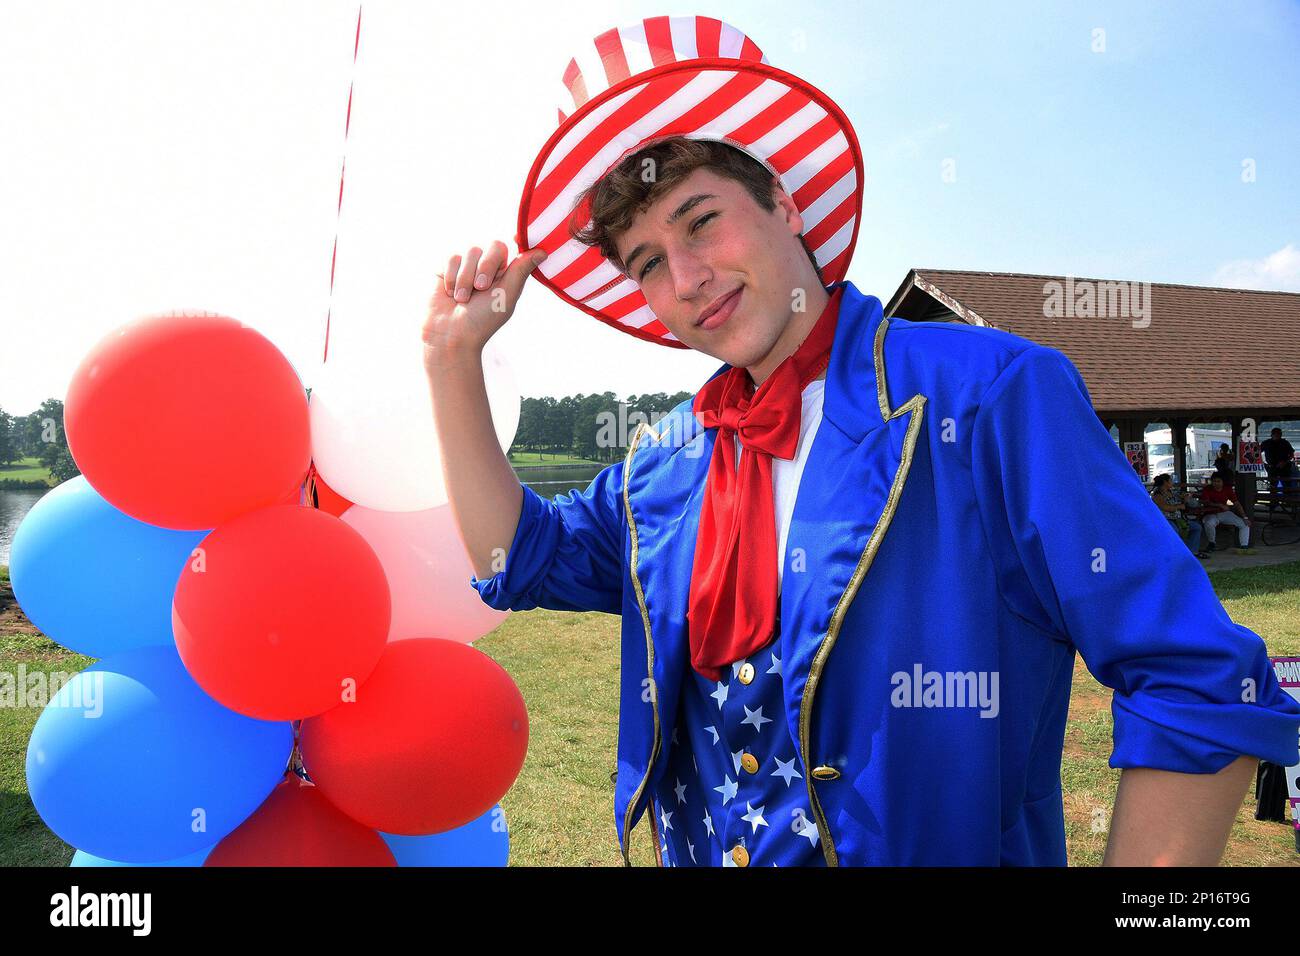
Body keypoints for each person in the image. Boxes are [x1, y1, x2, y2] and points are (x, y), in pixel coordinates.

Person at [422, 16, 1300, 867]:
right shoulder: (668, 459)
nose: (686, 279)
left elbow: (1194, 680)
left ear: (783, 199)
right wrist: (454, 364)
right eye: (648, 261)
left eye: (700, 221)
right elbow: (520, 557)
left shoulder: (987, 394)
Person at [1150, 473, 1208, 559]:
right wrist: (1179, 506)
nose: (1172, 482)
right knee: (1174, 531)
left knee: (1196, 527)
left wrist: (1185, 499)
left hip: (1178, 519)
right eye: (1170, 480)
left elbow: (1182, 503)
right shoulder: (1157, 494)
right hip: (1165, 520)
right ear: (1165, 482)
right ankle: (1175, 555)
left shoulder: (1171, 492)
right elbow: (1164, 507)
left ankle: (1192, 552)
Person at [1199, 473, 1254, 553]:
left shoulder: (1228, 489)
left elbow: (1236, 503)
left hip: (1224, 513)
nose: (1216, 483)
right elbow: (1205, 502)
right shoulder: (1207, 489)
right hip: (1210, 513)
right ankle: (1212, 543)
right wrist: (1220, 505)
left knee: (1244, 524)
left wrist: (1245, 517)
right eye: (1214, 481)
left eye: (1218, 481)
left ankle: (1244, 546)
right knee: (1209, 523)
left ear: (1223, 482)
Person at [1261, 427, 1296, 510]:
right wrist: (1264, 464)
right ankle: (1273, 503)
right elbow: (1257, 453)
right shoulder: (1266, 443)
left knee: (1286, 486)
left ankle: (1287, 502)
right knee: (1272, 486)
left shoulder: (1285, 443)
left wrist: (1284, 462)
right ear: (1272, 434)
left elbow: (1291, 455)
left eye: (1279, 434)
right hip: (1272, 468)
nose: (1277, 435)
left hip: (1284, 468)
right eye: (1276, 434)